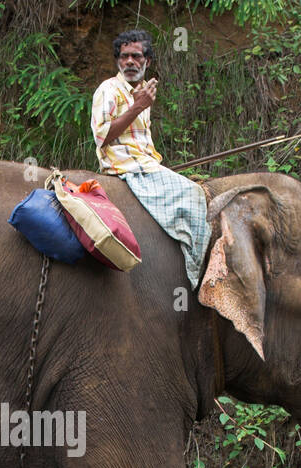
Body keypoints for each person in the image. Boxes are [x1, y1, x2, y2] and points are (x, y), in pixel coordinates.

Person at [90, 28, 211, 289]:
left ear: (148, 61)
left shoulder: (143, 91)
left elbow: (141, 143)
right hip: (126, 169)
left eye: (136, 56)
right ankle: (197, 276)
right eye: (124, 57)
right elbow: (103, 136)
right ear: (117, 61)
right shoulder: (108, 89)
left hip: (145, 164)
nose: (130, 62)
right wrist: (138, 107)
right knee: (194, 195)